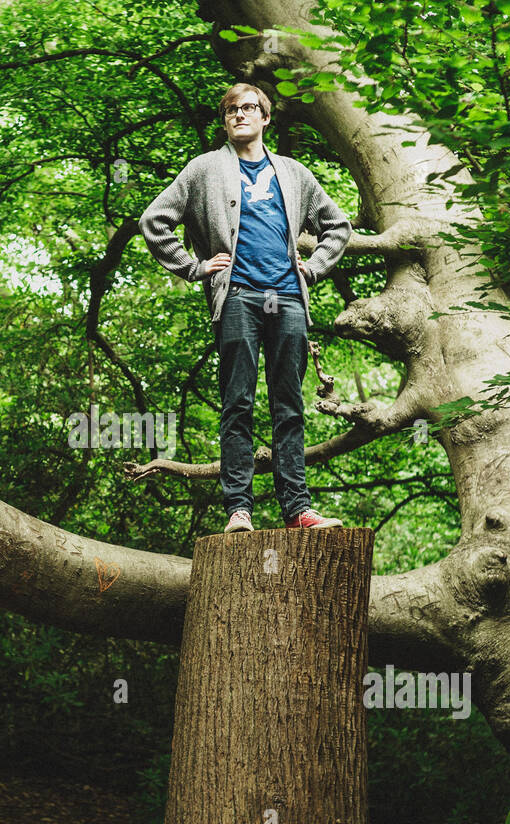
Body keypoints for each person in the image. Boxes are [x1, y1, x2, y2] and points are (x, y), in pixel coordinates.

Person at [139, 82, 353, 533]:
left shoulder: (293, 173)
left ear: (265, 118)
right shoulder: (204, 170)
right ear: (225, 120)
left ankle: (297, 510)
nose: (240, 114)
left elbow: (338, 224)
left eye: (250, 107)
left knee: (288, 404)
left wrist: (311, 269)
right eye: (232, 109)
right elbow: (154, 220)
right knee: (237, 403)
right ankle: (239, 510)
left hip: (288, 298)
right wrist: (194, 267)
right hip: (237, 296)